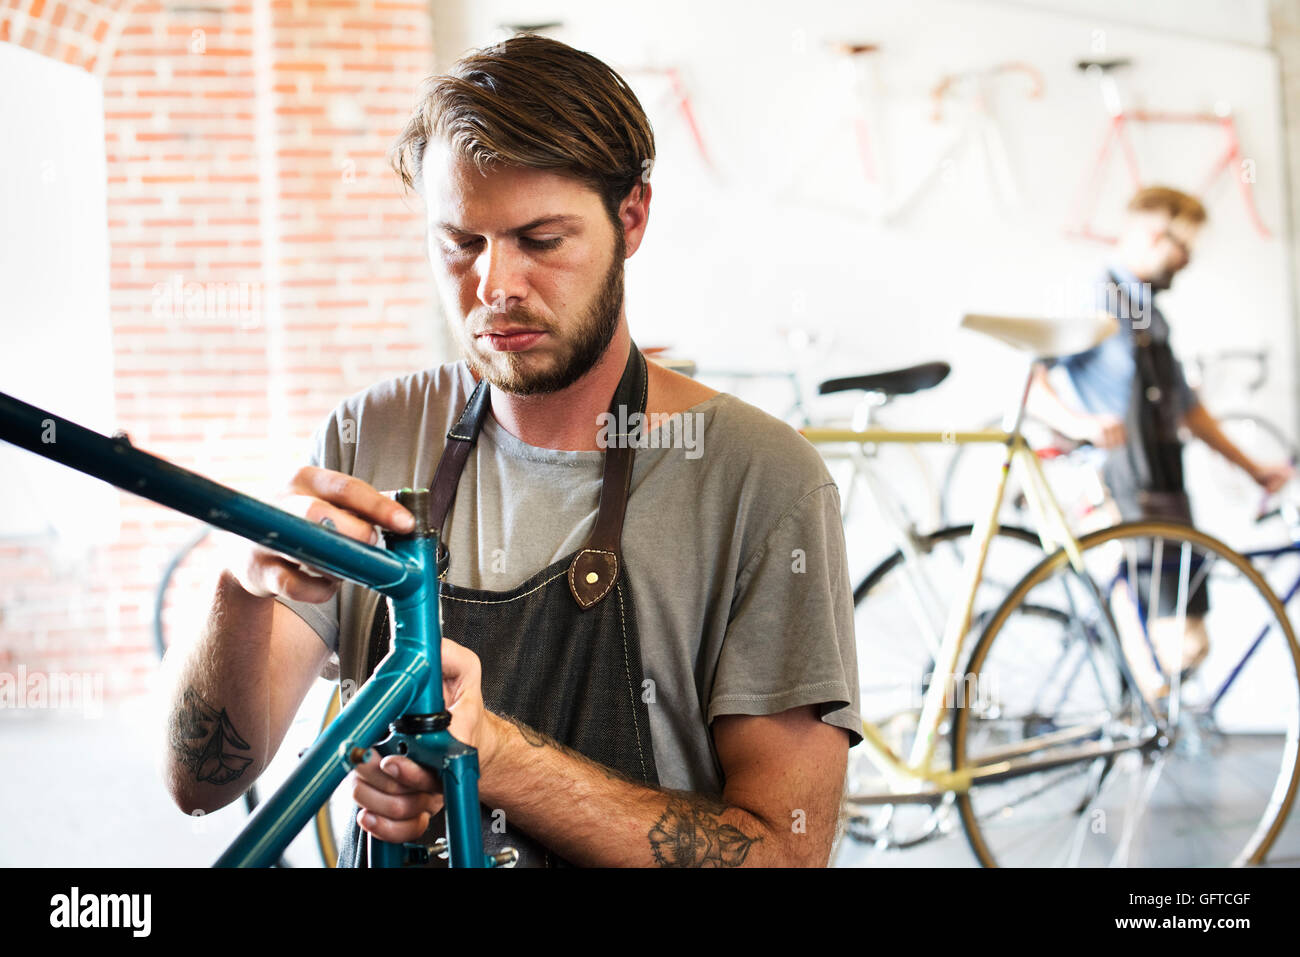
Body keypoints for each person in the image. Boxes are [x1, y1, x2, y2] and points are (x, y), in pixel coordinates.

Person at [158, 34, 860, 868]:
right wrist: (241, 584)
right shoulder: (369, 436)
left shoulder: (760, 481)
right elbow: (200, 782)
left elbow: (785, 854)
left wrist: (497, 758)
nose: (494, 285)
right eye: (461, 242)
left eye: (540, 238)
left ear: (631, 216)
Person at [1028, 186, 1293, 699]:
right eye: (1184, 246)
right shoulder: (1095, 300)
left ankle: (1139, 734)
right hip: (1116, 491)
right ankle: (1126, 743)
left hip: (1164, 489)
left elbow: (1187, 410)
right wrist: (1081, 424)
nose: (1188, 260)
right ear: (1154, 234)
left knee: (1189, 645)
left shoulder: (1149, 312)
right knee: (1157, 661)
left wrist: (1253, 468)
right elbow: (1032, 388)